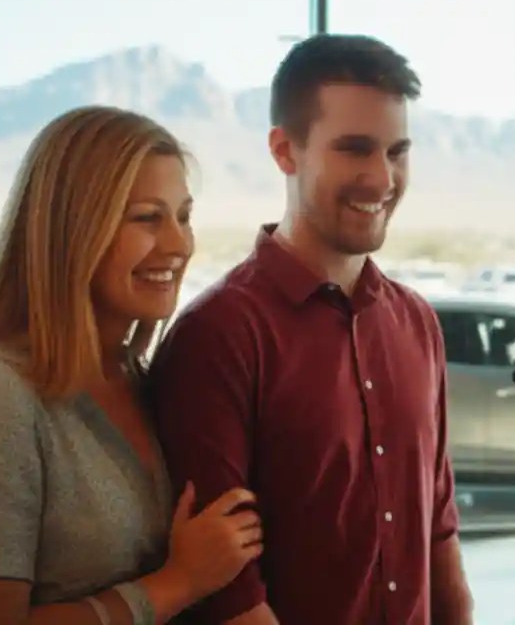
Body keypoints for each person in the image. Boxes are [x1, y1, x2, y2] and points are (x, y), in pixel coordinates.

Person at [149, 34, 474, 624]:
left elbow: (438, 529)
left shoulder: (417, 323)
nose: (381, 179)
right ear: (285, 150)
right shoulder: (217, 337)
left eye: (397, 151)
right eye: (355, 149)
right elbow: (230, 597)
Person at [0, 106, 263, 625]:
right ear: (72, 229)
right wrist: (178, 583)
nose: (178, 244)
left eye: (183, 216)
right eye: (148, 217)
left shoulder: (140, 380)